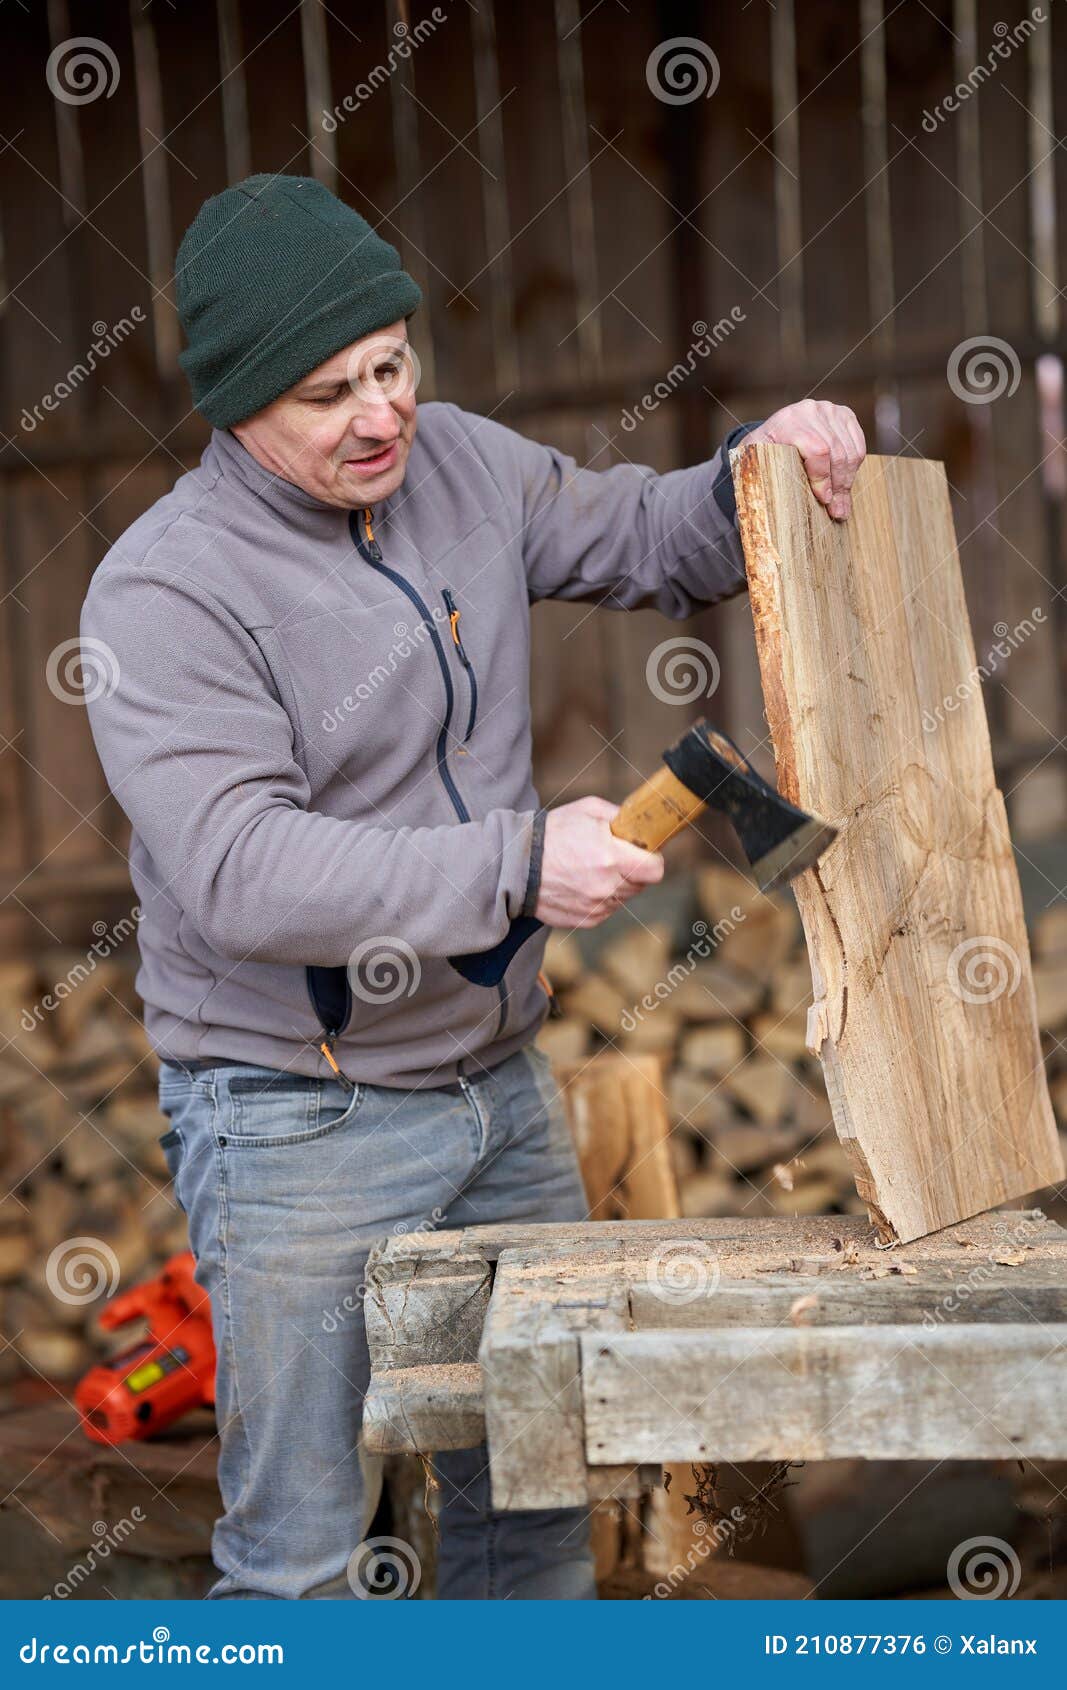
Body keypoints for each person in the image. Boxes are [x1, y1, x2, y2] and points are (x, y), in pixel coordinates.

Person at [80, 173, 865, 1599]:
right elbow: (242, 871)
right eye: (331, 392)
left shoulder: (459, 466)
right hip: (297, 1112)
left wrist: (766, 456)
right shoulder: (164, 596)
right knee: (305, 1556)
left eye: (395, 361)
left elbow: (648, 532)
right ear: (237, 404)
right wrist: (515, 863)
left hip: (494, 1088)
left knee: (532, 1516)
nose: (384, 411)